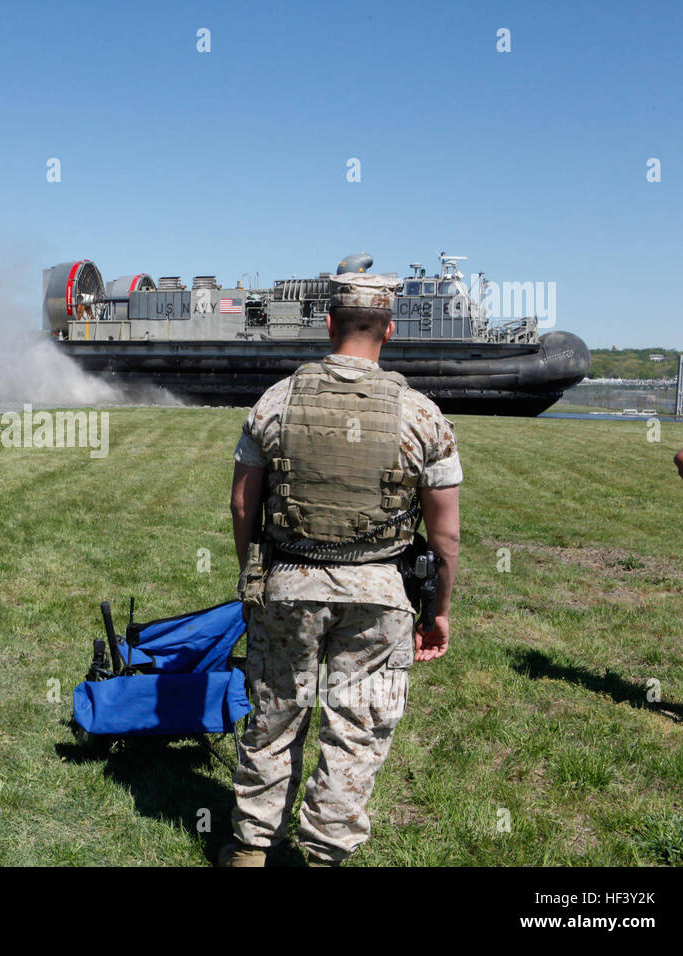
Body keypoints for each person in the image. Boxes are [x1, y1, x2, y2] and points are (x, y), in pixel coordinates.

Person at [218, 271, 462, 867]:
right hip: (379, 593)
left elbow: (242, 504)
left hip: (287, 583)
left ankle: (253, 849)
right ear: (390, 329)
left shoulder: (274, 402)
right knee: (357, 726)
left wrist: (255, 575)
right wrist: (440, 612)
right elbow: (446, 533)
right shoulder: (421, 415)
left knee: (274, 714)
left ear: (328, 324)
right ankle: (325, 856)